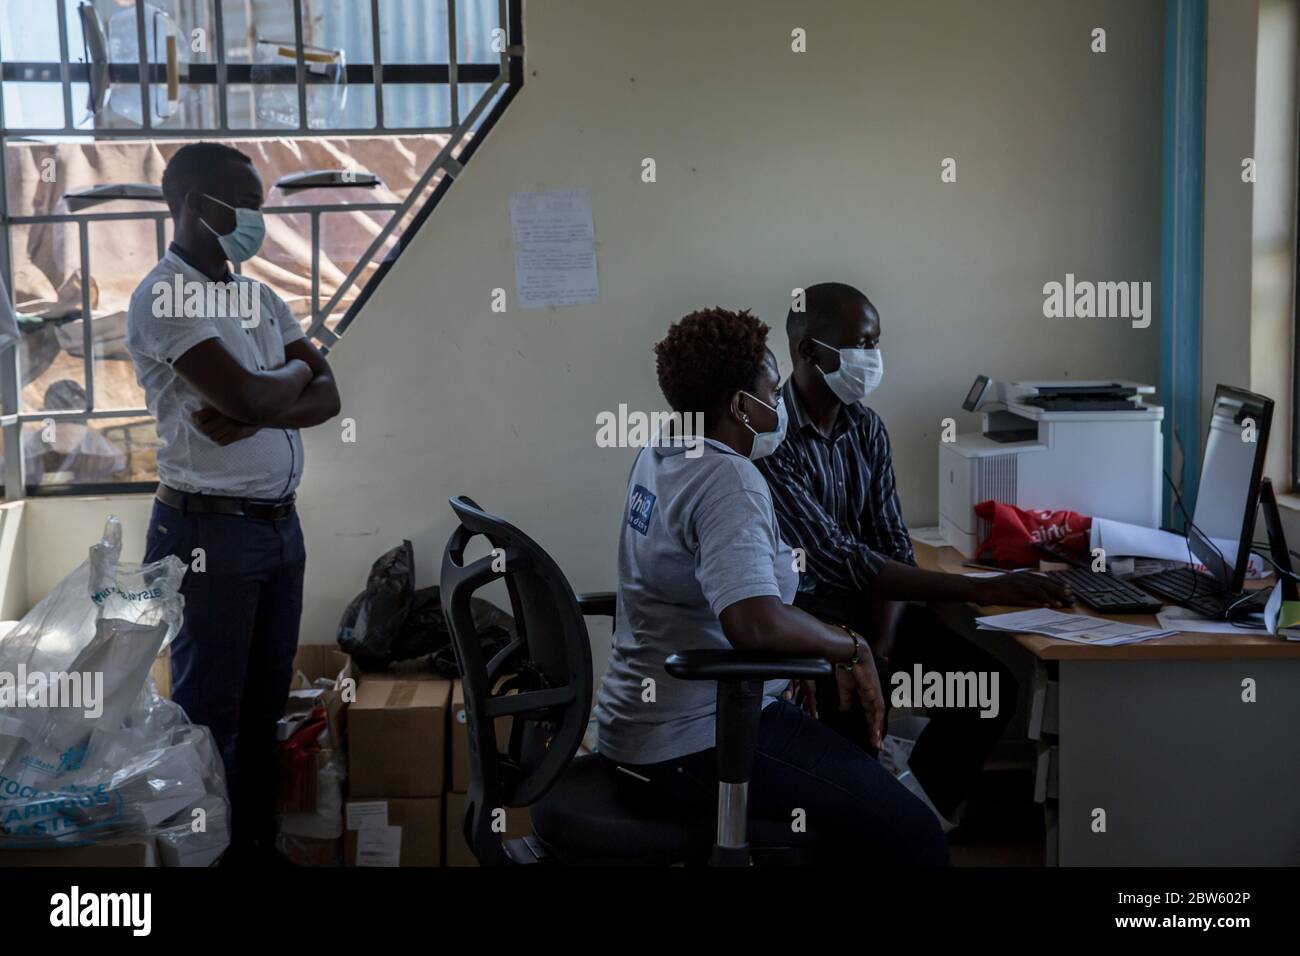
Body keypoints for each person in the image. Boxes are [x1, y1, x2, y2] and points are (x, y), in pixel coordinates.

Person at [594, 306, 949, 866]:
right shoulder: (728, 479)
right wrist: (849, 646)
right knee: (916, 836)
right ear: (741, 404)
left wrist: (784, 666)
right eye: (773, 390)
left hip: (636, 724)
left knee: (853, 807)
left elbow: (726, 605)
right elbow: (752, 622)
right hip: (698, 736)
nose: (780, 403)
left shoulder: (660, 453)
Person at [755, 281, 1071, 829]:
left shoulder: (868, 428)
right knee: (851, 729)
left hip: (878, 615)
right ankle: (877, 820)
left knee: (990, 689)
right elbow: (839, 558)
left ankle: (917, 814)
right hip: (812, 626)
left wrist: (881, 642)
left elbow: (890, 543)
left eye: (877, 343)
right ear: (809, 351)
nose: (873, 359)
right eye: (861, 345)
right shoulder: (771, 438)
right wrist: (979, 589)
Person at [125, 142, 342, 864]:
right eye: (244, 205)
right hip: (207, 531)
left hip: (279, 528)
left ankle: (255, 845)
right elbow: (273, 388)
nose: (256, 218)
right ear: (196, 206)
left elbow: (331, 394)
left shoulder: (255, 294)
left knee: (263, 705)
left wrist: (257, 406)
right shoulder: (165, 295)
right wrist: (277, 389)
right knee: (210, 713)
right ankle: (208, 858)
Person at [17, 380, 126, 485]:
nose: (64, 430)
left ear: (84, 425)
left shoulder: (106, 457)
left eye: (73, 422)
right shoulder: (25, 453)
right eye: (56, 421)